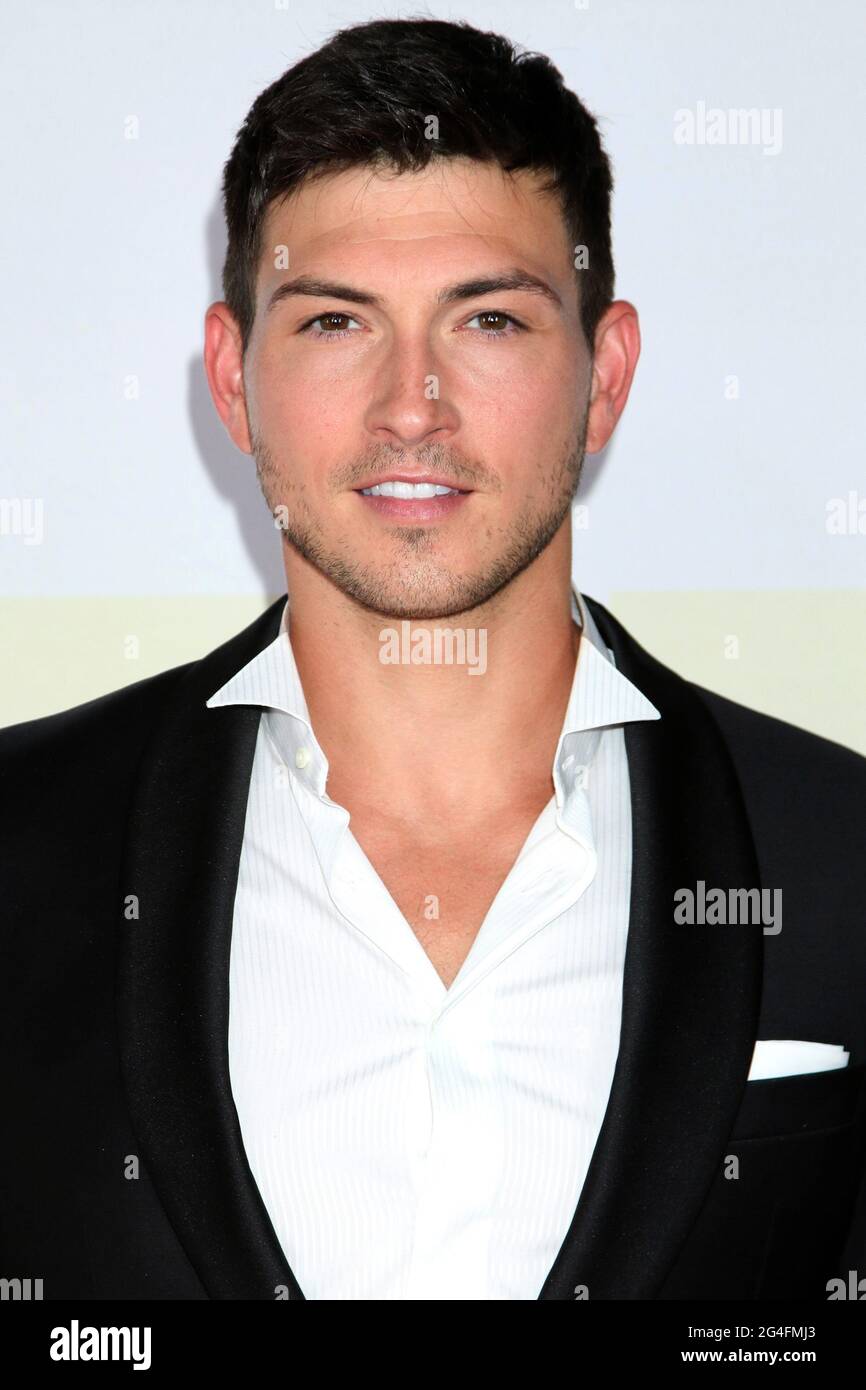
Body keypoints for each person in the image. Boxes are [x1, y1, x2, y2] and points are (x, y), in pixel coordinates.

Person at [1, 16, 864, 1302]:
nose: (413, 404)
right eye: (338, 321)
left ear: (604, 374)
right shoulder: (20, 839)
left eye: (492, 323)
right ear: (234, 379)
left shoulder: (839, 851)